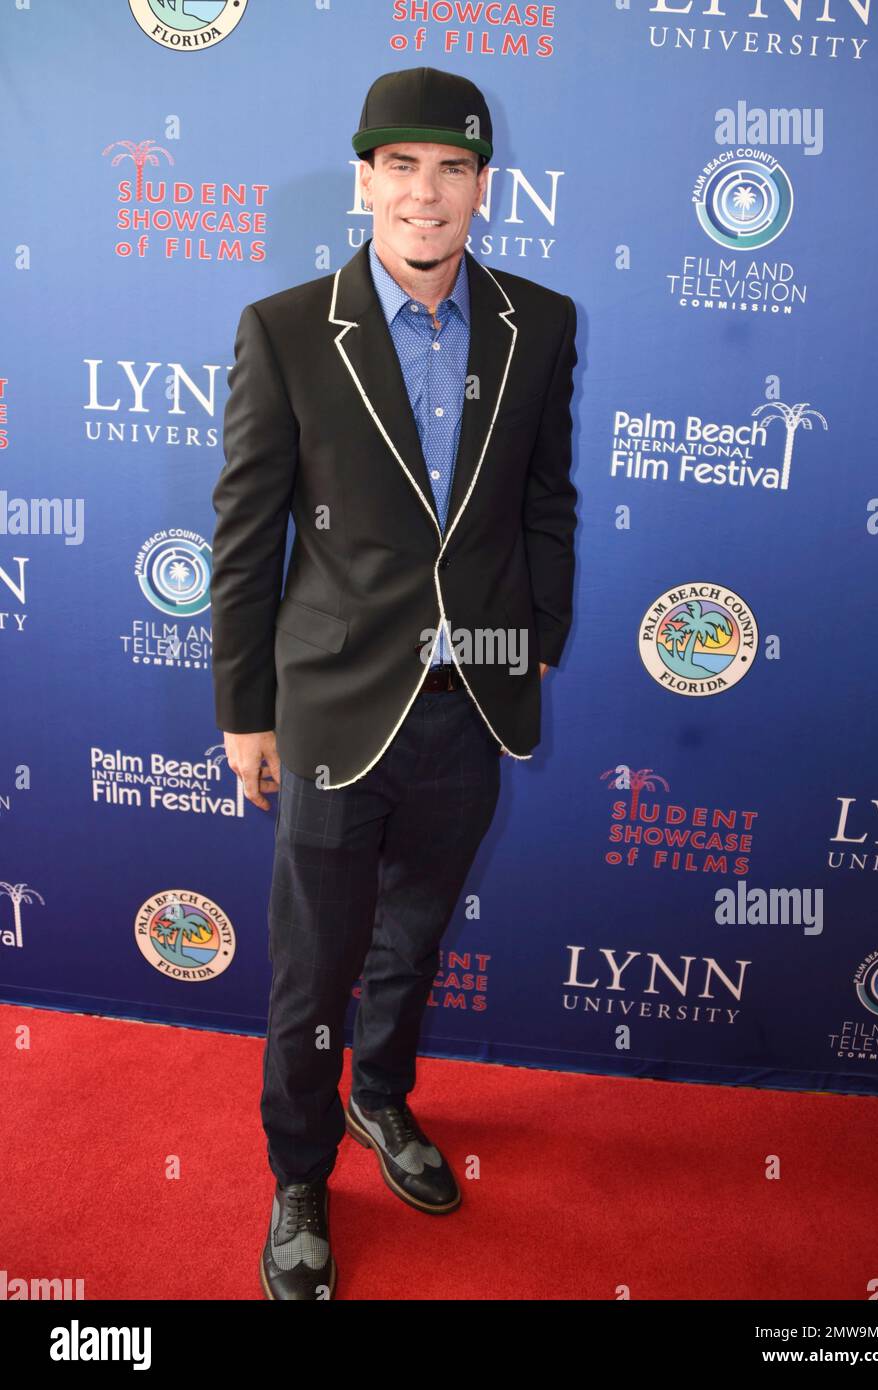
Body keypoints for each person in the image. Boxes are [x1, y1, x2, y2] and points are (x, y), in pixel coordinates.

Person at [210, 65, 579, 1300]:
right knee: (313, 962)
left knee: (413, 939)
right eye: (402, 167)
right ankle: (301, 1174)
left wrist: (534, 642)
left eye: (454, 168)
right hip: (326, 708)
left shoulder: (540, 323)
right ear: (365, 178)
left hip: (467, 705)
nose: (427, 195)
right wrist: (244, 713)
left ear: (485, 183)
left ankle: (381, 1100)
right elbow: (246, 538)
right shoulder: (280, 329)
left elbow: (543, 503)